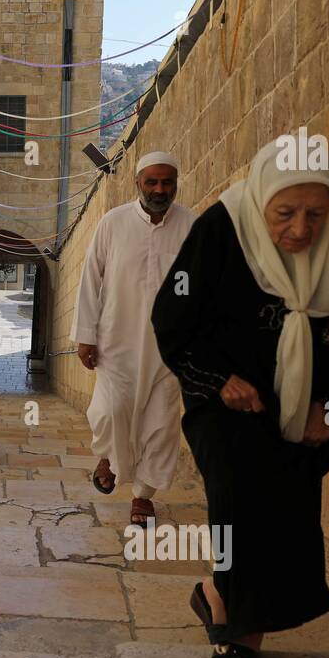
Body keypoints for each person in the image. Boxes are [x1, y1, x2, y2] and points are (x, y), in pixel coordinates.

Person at [151, 137, 329, 658]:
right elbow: (172, 319)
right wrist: (219, 381)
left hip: (305, 403)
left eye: (315, 214)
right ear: (262, 201)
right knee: (238, 496)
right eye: (285, 213)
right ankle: (241, 634)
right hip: (226, 394)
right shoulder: (223, 227)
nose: (301, 230)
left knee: (289, 511)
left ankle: (217, 595)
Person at [70, 151, 197, 526]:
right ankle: (109, 454)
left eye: (167, 182)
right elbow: (91, 279)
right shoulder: (113, 223)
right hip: (116, 343)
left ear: (175, 183)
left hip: (168, 349)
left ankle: (142, 496)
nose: (160, 190)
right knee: (110, 413)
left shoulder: (191, 226)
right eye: (152, 182)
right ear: (137, 183)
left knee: (161, 426)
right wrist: (85, 336)